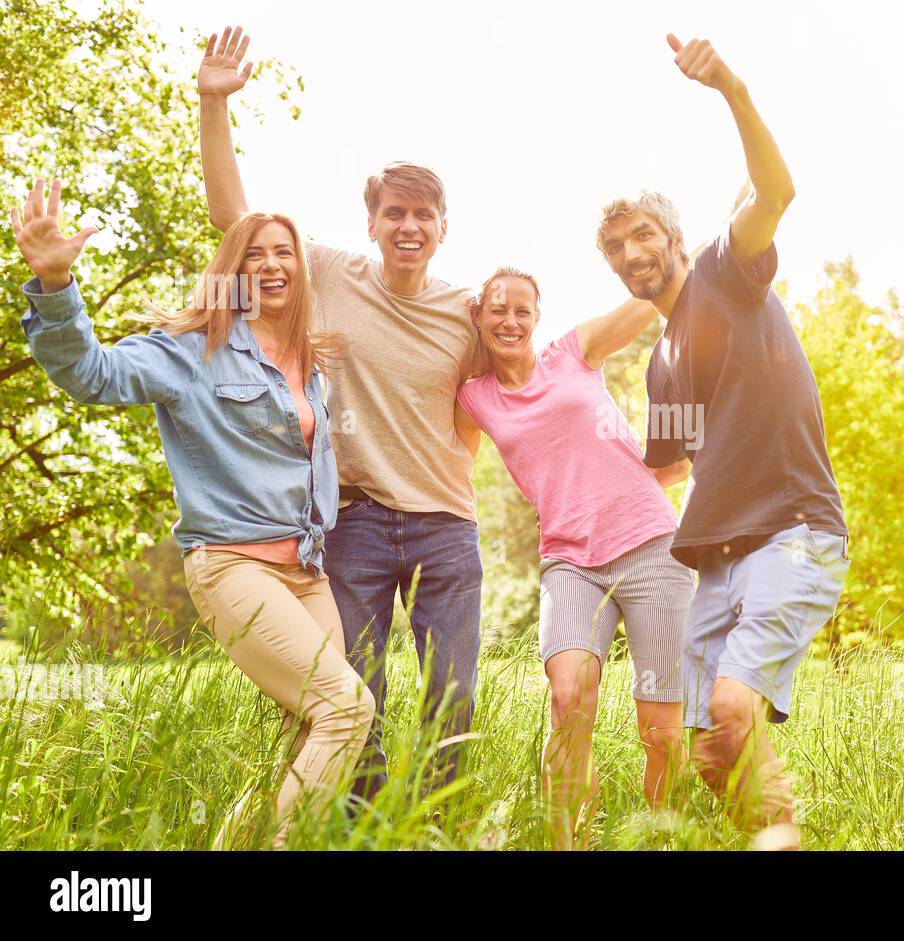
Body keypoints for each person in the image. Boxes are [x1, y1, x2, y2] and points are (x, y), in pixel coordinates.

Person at [11, 177, 373, 849]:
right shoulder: (191, 350)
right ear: (232, 272)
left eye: (284, 252)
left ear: (301, 268)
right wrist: (57, 285)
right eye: (254, 254)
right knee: (348, 709)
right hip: (235, 567)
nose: (271, 264)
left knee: (307, 732)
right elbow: (91, 374)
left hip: (307, 572)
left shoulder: (308, 363)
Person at [196, 26, 483, 796]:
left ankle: (432, 827)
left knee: (453, 698)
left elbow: (516, 389)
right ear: (373, 223)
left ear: (443, 226)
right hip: (351, 521)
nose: (409, 227)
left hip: (445, 527)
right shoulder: (328, 270)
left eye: (424, 215)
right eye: (395, 213)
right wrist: (213, 104)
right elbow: (237, 222)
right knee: (358, 699)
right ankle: (359, 827)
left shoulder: (470, 309)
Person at [595, 35, 850, 849]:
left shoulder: (724, 270)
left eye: (642, 236)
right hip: (715, 561)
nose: (633, 254)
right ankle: (769, 836)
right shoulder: (661, 366)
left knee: (736, 709)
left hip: (792, 533)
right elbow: (665, 467)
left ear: (672, 236)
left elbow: (776, 189)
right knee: (711, 749)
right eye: (616, 249)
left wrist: (731, 88)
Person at [454, 268, 694, 849]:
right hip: (569, 561)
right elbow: (449, 462)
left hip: (652, 547)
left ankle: (664, 837)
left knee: (659, 727)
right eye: (498, 310)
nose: (510, 321)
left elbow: (651, 297)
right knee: (567, 699)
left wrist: (704, 243)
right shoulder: (473, 396)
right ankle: (570, 842)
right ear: (479, 319)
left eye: (523, 310)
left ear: (537, 317)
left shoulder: (574, 353)